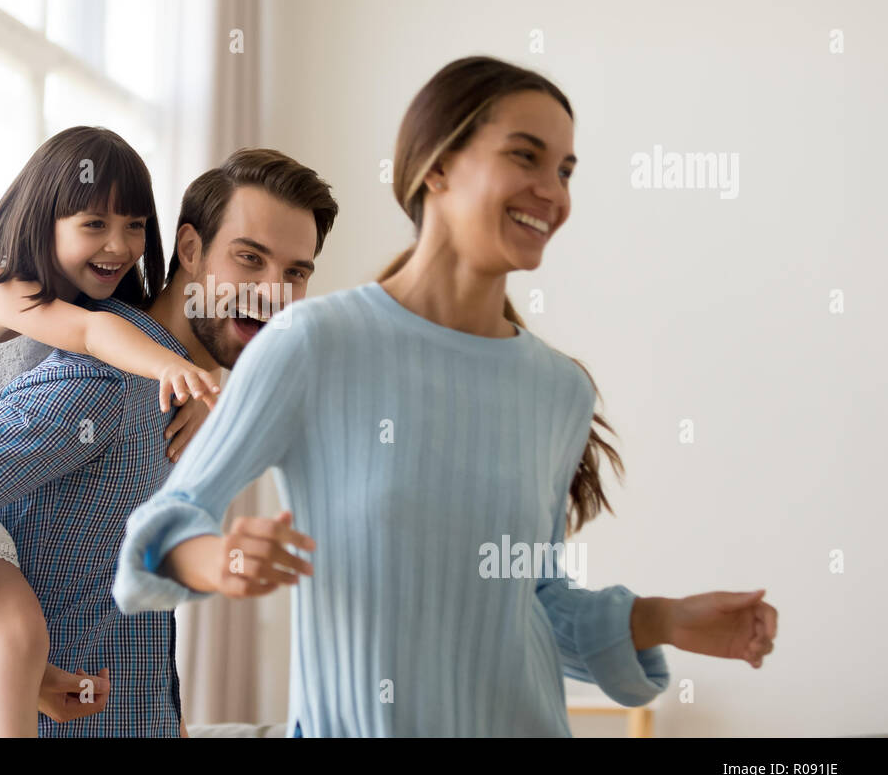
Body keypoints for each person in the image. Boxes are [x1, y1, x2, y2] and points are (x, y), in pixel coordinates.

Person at [113, 56, 779, 737]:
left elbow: (536, 601)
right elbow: (163, 528)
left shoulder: (559, 389)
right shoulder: (313, 342)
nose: (553, 192)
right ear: (437, 167)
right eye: (527, 156)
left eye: (566, 171)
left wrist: (662, 619)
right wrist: (221, 560)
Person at [0, 147, 339, 736]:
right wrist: (4, 658)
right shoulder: (103, 385)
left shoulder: (186, 401)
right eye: (250, 259)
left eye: (296, 273)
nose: (274, 293)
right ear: (191, 250)